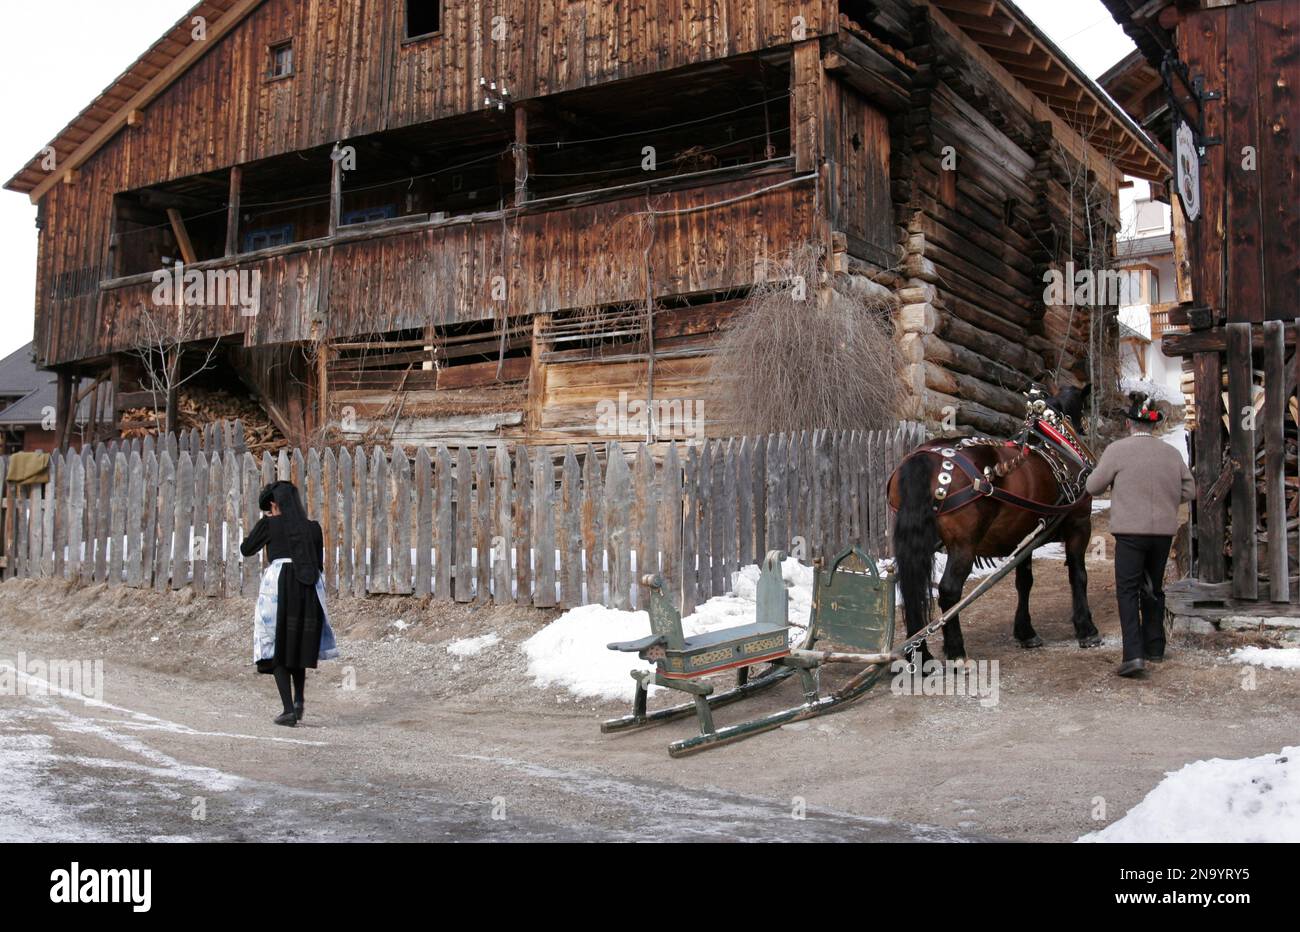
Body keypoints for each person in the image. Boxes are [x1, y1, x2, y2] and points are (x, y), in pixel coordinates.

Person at [1085, 393, 1195, 678]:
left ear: (1128, 423)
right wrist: (1166, 501)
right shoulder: (1171, 453)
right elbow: (1189, 490)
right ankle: (1155, 647)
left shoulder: (1117, 450)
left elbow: (1093, 487)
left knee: (1128, 590)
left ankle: (1133, 655)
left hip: (1130, 532)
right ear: (1155, 425)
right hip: (1161, 533)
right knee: (1153, 588)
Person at [241, 481, 339, 725]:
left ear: (274, 504)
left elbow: (246, 549)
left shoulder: (270, 525)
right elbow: (318, 563)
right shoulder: (313, 528)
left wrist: (265, 523)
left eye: (269, 508)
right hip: (308, 586)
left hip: (278, 586)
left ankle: (287, 709)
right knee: (297, 642)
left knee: (276, 643)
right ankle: (299, 700)